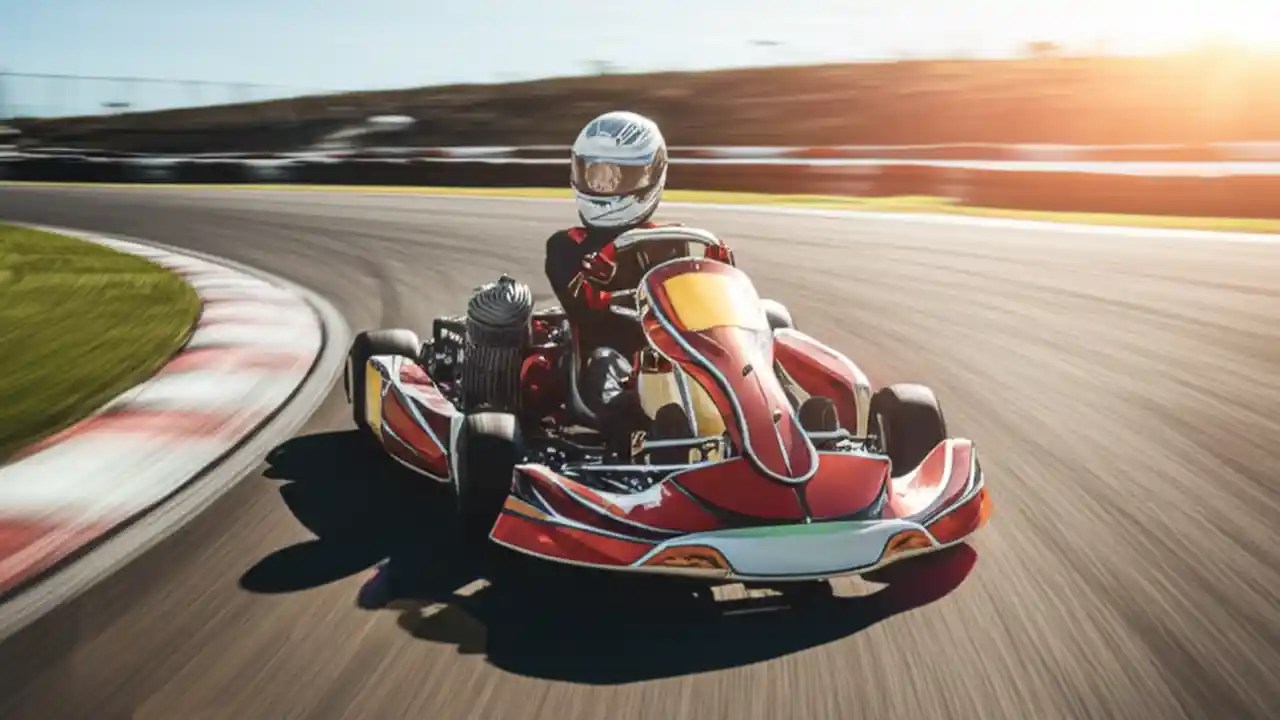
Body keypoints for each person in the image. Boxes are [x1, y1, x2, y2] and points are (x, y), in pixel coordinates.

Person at [543, 110, 700, 457]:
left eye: (614, 177)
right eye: (594, 175)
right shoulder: (566, 246)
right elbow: (583, 303)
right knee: (607, 366)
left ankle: (793, 424)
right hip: (613, 358)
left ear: (649, 175)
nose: (602, 187)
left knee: (767, 324)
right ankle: (645, 445)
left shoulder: (674, 239)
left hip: (675, 354)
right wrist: (607, 265)